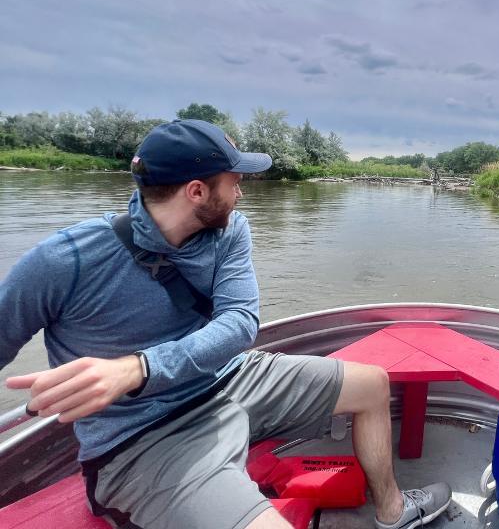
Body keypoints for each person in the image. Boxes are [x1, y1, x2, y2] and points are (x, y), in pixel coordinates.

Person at [0, 119, 451, 529]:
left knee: (372, 384)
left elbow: (239, 323)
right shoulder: (64, 261)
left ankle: (392, 510)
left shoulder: (231, 229)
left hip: (230, 378)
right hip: (142, 437)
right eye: (235, 182)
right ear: (197, 191)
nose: (241, 194)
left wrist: (139, 367)